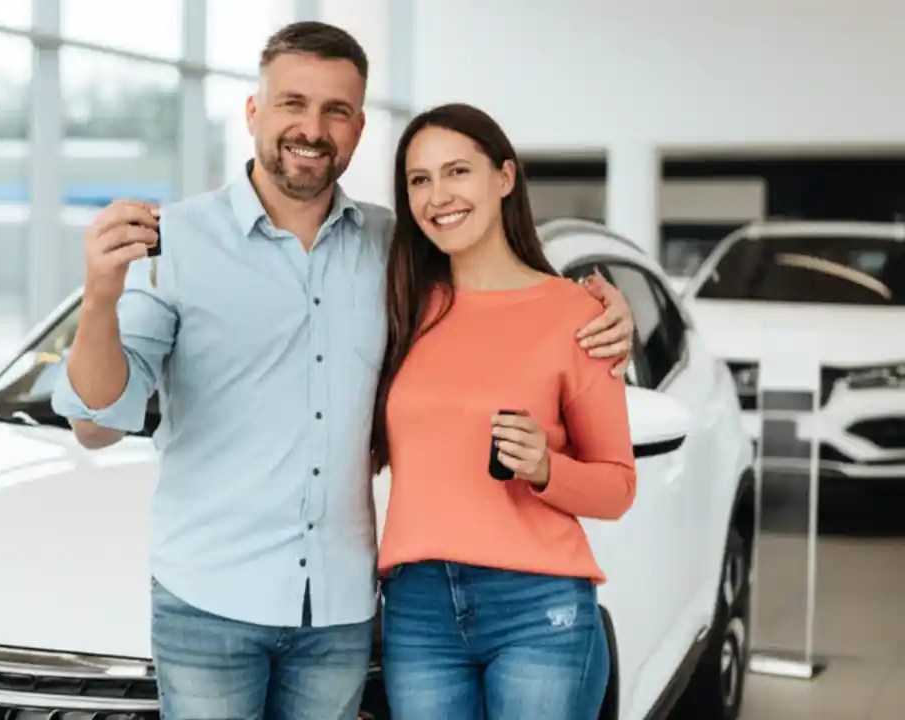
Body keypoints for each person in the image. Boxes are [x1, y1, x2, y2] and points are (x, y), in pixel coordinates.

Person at [52, 22, 635, 720]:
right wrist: (100, 296)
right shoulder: (175, 241)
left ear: (358, 128)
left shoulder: (396, 251)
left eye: (337, 110)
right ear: (253, 113)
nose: (312, 127)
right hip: (209, 600)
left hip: (340, 611)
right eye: (292, 102)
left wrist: (598, 308)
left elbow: (501, 299)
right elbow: (93, 424)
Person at [370, 102, 638, 720]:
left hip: (536, 606)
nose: (439, 195)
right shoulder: (402, 305)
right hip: (418, 608)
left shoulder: (576, 314)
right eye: (420, 179)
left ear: (505, 177)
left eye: (458, 171)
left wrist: (548, 469)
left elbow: (618, 487)